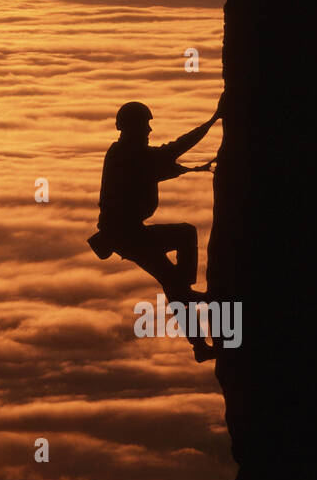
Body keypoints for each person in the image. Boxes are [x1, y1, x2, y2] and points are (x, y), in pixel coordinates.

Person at [89, 99, 221, 356]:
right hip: (127, 235)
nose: (150, 131)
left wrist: (193, 167)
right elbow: (171, 152)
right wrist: (212, 121)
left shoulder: (124, 153)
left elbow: (159, 165)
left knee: (174, 277)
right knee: (184, 240)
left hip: (127, 234)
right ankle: (187, 293)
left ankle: (194, 329)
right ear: (135, 127)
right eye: (146, 125)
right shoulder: (130, 155)